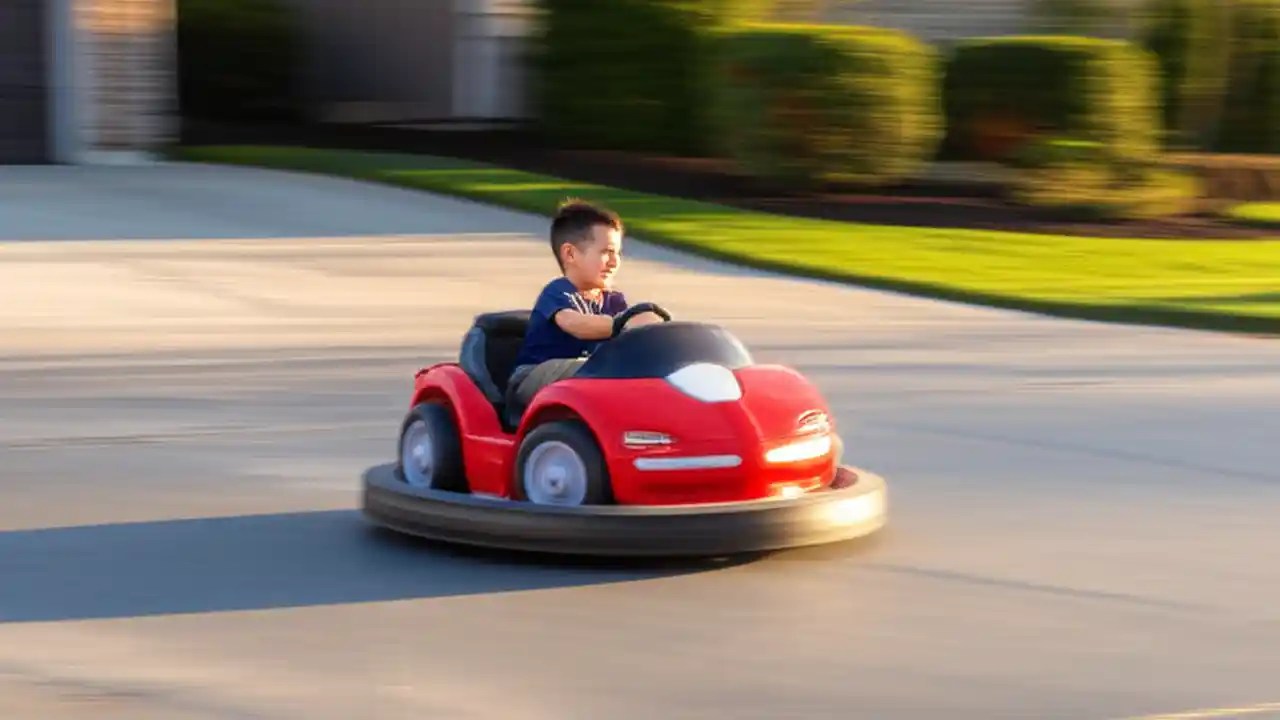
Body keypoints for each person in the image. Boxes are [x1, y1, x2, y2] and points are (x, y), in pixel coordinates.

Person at [505, 199, 663, 422]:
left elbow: (633, 331)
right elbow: (574, 324)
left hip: (585, 379)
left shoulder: (614, 300)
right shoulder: (558, 292)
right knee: (596, 369)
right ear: (570, 254)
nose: (614, 262)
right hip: (531, 379)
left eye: (618, 253)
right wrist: (621, 325)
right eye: (606, 252)